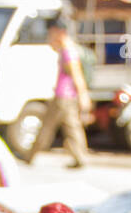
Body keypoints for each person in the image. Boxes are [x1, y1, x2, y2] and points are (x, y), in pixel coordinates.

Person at [20, 19, 91, 169]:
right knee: (72, 128)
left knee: (49, 127)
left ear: (60, 32)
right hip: (66, 95)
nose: (50, 35)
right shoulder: (66, 49)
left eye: (52, 32)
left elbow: (77, 74)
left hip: (63, 96)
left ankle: (31, 155)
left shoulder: (68, 51)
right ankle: (80, 157)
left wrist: (83, 95)